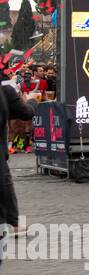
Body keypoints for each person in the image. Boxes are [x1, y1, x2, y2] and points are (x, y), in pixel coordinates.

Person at [0, 66, 34, 256]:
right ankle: (14, 224)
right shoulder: (6, 90)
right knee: (4, 182)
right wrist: (32, 104)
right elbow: (24, 112)